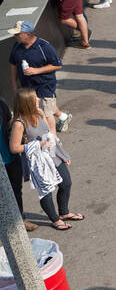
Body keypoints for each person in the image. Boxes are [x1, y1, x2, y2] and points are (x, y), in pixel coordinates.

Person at [10, 88, 78, 230]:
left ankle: (64, 212)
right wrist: (37, 144)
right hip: (38, 162)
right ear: (27, 102)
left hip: (52, 154)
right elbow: (14, 148)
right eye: (35, 98)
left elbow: (49, 136)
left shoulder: (39, 113)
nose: (38, 100)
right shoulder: (19, 123)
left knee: (66, 183)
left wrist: (62, 155)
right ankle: (54, 219)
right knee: (46, 191)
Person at [8, 21, 68, 132]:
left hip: (44, 85)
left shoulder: (44, 47)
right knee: (42, 106)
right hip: (27, 86)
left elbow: (57, 65)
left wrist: (37, 71)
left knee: (46, 112)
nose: (14, 36)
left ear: (28, 34)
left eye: (18, 34)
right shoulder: (17, 46)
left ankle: (53, 138)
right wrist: (14, 84)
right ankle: (63, 117)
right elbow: (13, 64)